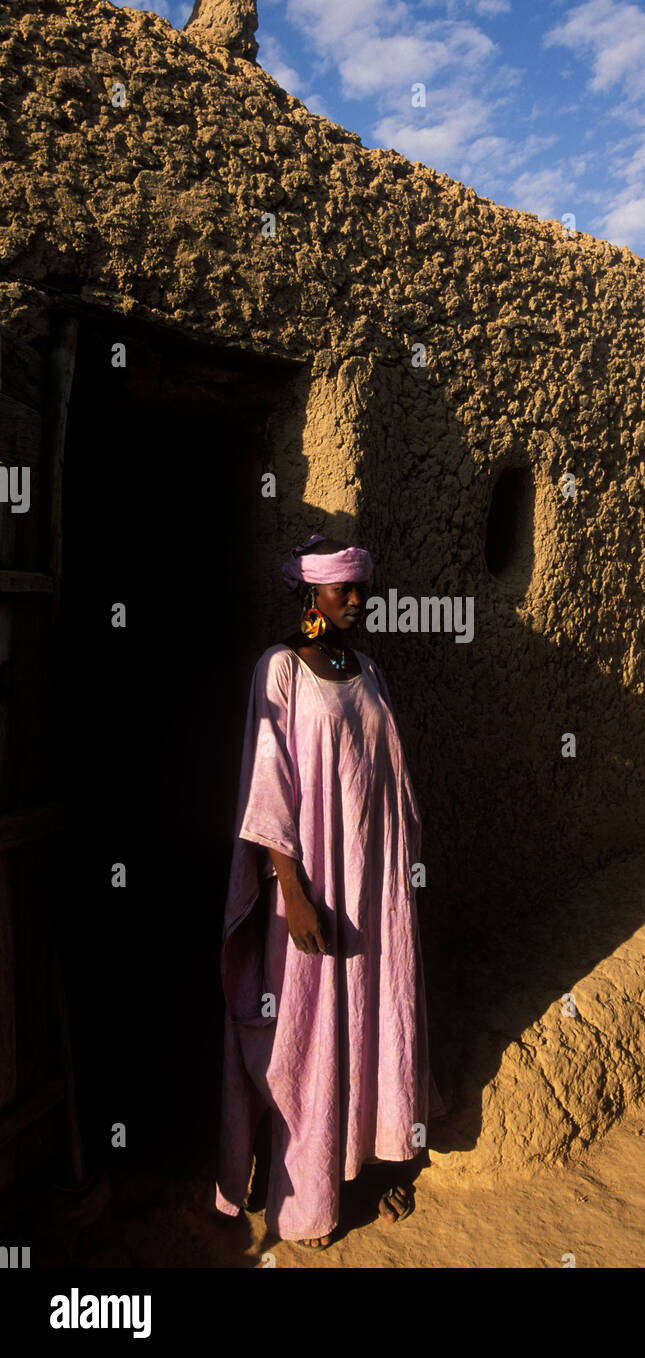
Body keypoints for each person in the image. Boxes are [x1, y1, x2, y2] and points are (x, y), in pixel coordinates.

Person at [214, 533, 445, 1249]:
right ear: (309, 594)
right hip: (311, 890)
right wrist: (294, 891)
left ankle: (363, 1164)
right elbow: (269, 785)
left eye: (360, 587)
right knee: (306, 1032)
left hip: (374, 887)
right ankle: (307, 1193)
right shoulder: (280, 670)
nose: (356, 598)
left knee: (376, 1015)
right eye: (343, 588)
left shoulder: (368, 670)